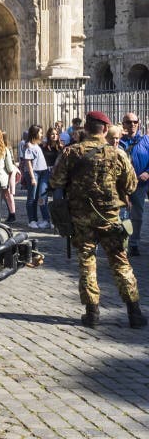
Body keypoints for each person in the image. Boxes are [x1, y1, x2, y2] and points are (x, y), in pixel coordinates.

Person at [50, 111, 147, 328]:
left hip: (81, 218)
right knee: (120, 262)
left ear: (86, 128)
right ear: (104, 129)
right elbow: (132, 185)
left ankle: (92, 313)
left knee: (86, 262)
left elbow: (56, 181)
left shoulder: (70, 153)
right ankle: (134, 312)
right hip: (110, 218)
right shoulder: (117, 154)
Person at [120, 112, 149, 256]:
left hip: (140, 184)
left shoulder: (146, 140)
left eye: (134, 122)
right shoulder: (117, 142)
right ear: (123, 124)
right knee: (121, 215)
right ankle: (121, 243)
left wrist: (147, 172)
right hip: (121, 185)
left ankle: (134, 243)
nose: (132, 125)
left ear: (138, 123)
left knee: (137, 215)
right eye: (128, 122)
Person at [23, 124, 49, 229]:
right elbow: (28, 162)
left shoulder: (37, 144)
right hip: (35, 173)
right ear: (35, 133)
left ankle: (46, 220)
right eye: (40, 132)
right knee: (32, 198)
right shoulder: (29, 145)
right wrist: (32, 177)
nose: (42, 134)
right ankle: (32, 220)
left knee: (42, 196)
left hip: (43, 172)